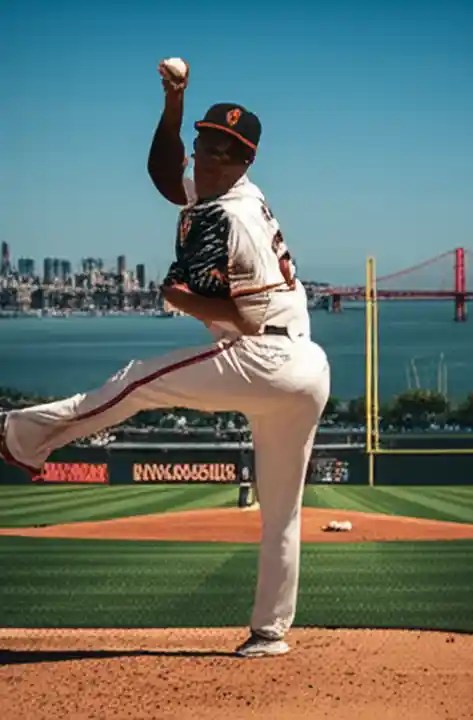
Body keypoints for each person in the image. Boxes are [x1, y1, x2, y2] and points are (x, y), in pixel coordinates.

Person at [0, 60, 331, 658]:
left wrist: (180, 298)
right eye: (203, 141)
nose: (205, 155)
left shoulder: (230, 216)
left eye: (221, 150)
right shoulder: (232, 193)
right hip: (304, 365)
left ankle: (22, 437)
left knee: (135, 383)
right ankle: (270, 632)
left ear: (244, 160)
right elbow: (161, 171)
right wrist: (175, 102)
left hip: (269, 356)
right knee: (280, 510)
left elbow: (224, 307)